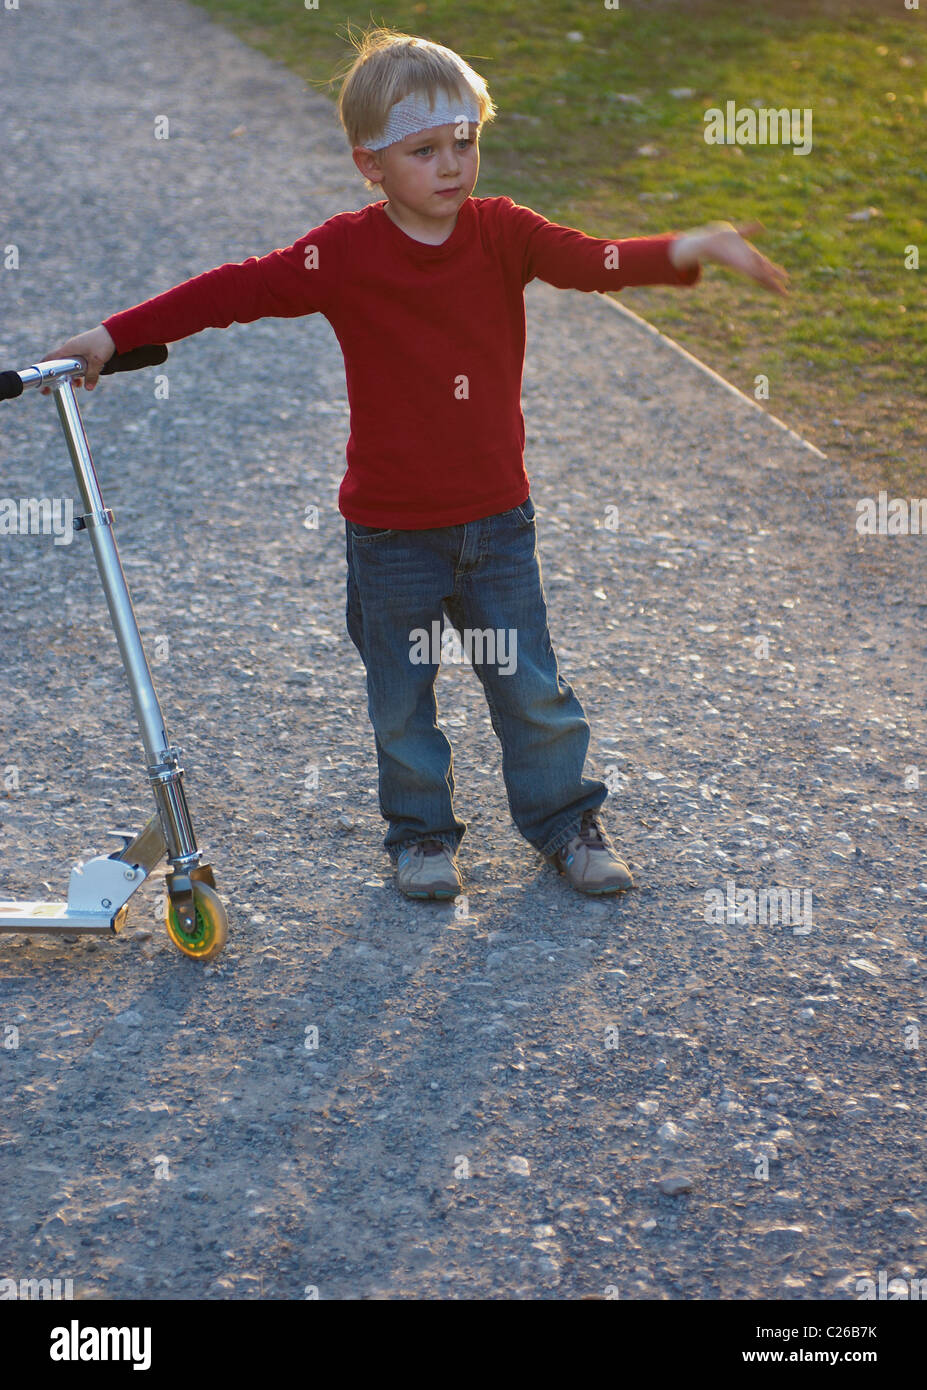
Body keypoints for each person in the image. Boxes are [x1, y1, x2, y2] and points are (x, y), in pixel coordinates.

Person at [43, 25, 788, 902]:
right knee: (402, 704)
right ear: (371, 165)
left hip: (497, 522)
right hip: (391, 531)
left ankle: (563, 823)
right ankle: (422, 839)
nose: (452, 167)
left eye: (464, 143)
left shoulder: (503, 233)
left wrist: (689, 247)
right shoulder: (344, 254)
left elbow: (594, 264)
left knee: (530, 689)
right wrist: (112, 335)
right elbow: (232, 289)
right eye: (424, 150)